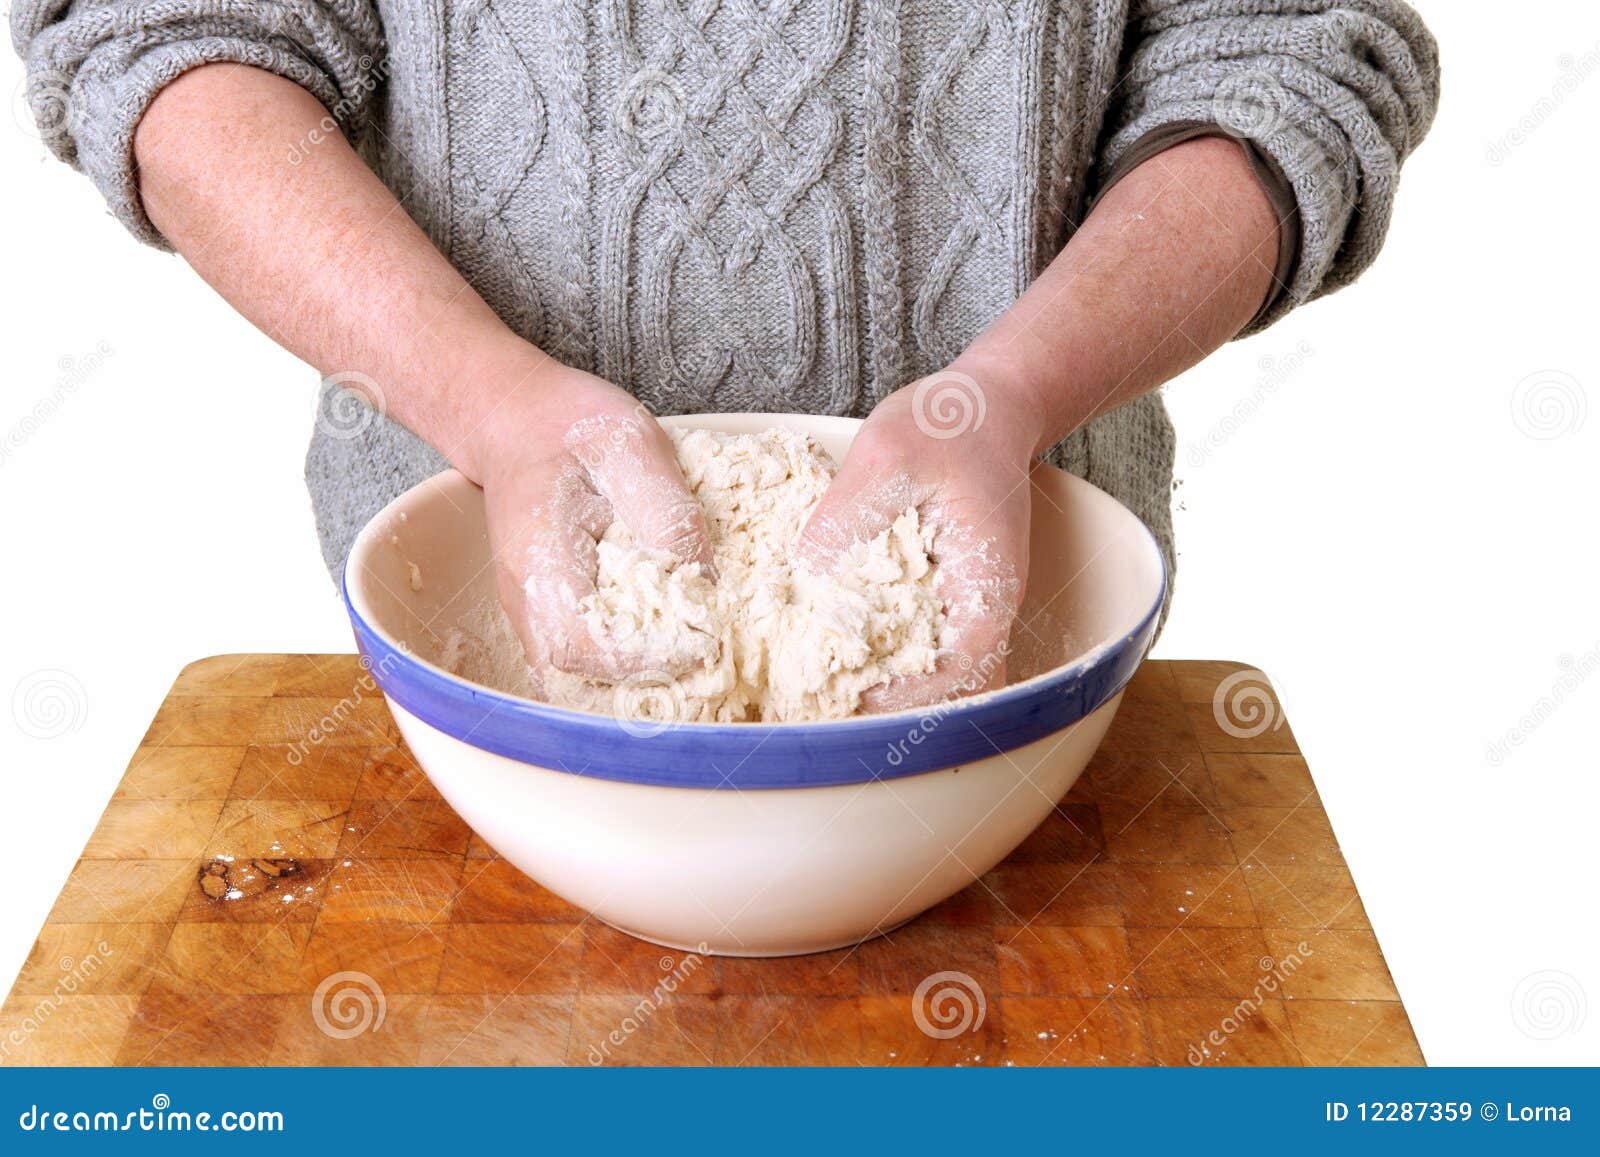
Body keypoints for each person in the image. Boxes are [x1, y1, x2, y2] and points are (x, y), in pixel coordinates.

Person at [14, 1, 1437, 708]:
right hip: (479, 662)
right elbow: (171, 34)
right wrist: (480, 398)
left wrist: (1006, 394)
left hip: (1013, 671)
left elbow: (1283, 61)